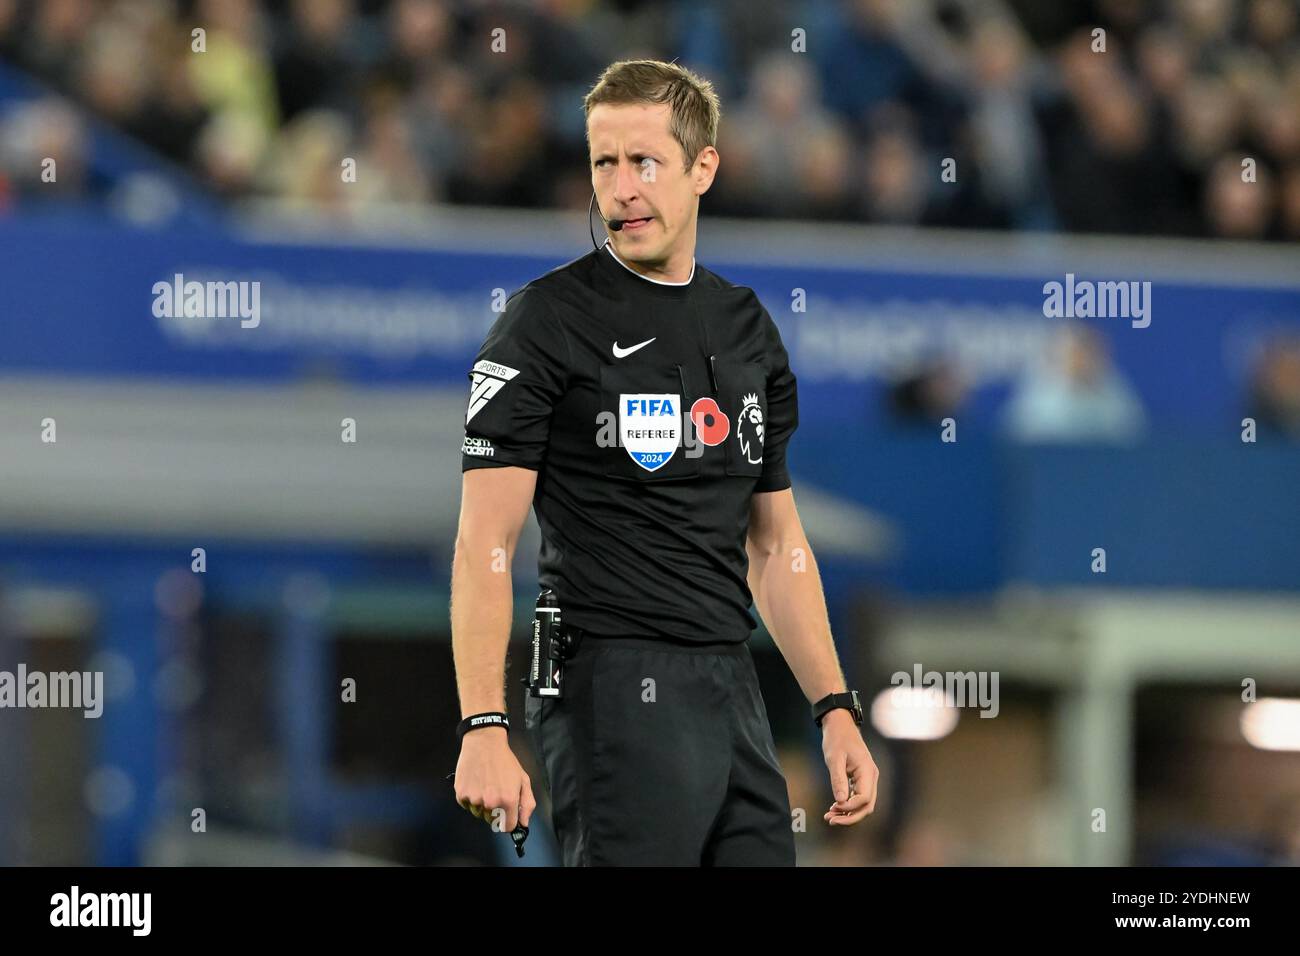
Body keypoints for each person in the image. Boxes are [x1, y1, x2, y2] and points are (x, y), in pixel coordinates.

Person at [450, 59, 878, 866]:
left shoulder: (746, 327)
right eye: (603, 163)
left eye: (643, 161)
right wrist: (482, 724)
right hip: (609, 688)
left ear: (702, 168)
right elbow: (485, 544)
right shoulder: (541, 324)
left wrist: (832, 706)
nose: (621, 188)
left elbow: (775, 545)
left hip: (732, 686)